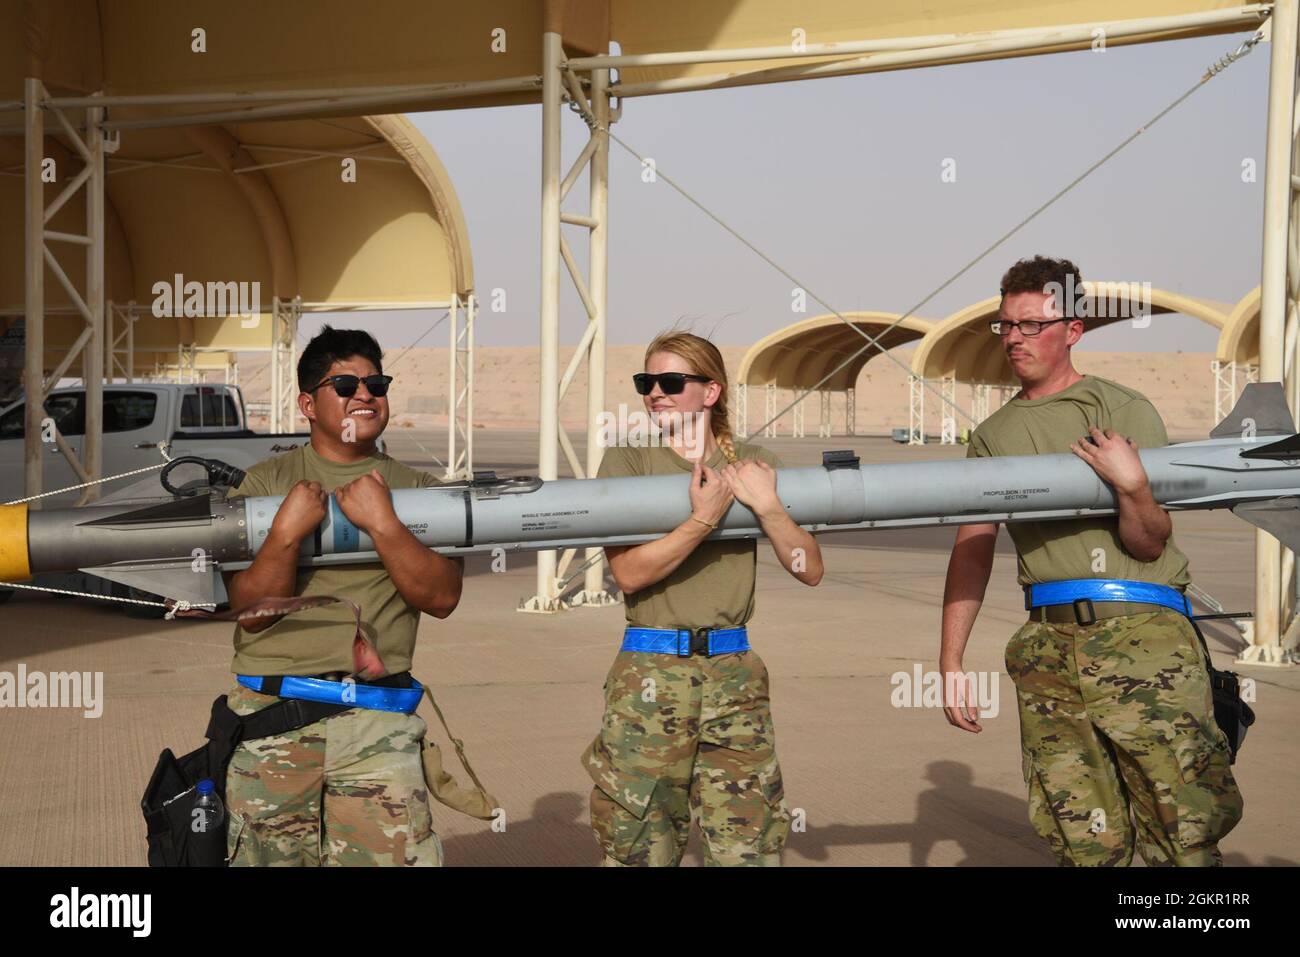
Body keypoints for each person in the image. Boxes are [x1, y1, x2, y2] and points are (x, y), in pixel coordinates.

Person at [940, 256, 1242, 866]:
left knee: (1179, 829)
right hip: (1048, 647)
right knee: (1081, 836)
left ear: (1072, 330)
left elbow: (1151, 541)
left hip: (1143, 639)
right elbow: (972, 552)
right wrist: (950, 661)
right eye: (1006, 326)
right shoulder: (992, 435)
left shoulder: (1119, 410)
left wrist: (1132, 488)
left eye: (1032, 324)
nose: (1015, 338)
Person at [220, 326, 464, 866]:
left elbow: (442, 597)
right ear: (308, 403)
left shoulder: (420, 492)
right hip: (273, 723)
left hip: (377, 727)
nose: (365, 394)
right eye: (345, 384)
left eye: (375, 382)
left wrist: (385, 526)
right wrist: (284, 535)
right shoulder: (263, 486)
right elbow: (252, 614)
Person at [581, 331, 824, 866]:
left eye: (671, 382)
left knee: (749, 844)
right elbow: (629, 573)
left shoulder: (757, 462)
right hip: (649, 671)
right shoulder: (628, 464)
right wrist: (703, 519)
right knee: (639, 842)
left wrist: (771, 509)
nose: (655, 394)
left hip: (734, 673)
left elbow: (809, 568)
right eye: (647, 383)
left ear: (710, 392)